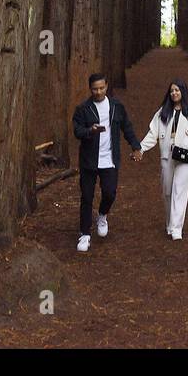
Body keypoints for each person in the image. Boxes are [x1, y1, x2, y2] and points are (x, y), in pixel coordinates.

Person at [137, 78, 188, 241]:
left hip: (186, 157)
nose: (174, 93)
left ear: (183, 92)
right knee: (167, 191)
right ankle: (170, 223)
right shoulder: (163, 112)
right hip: (167, 157)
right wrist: (141, 149)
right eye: (172, 91)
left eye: (177, 90)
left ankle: (176, 228)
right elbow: (153, 134)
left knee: (179, 191)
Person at [71, 72, 141, 252]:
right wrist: (90, 131)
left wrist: (135, 146)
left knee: (109, 193)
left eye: (101, 88)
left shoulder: (116, 106)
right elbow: (77, 131)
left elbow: (126, 127)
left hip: (110, 159)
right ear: (90, 89)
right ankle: (84, 234)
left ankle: (102, 215)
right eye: (95, 89)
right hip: (89, 161)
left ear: (107, 86)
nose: (98, 92)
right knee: (87, 196)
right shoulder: (83, 109)